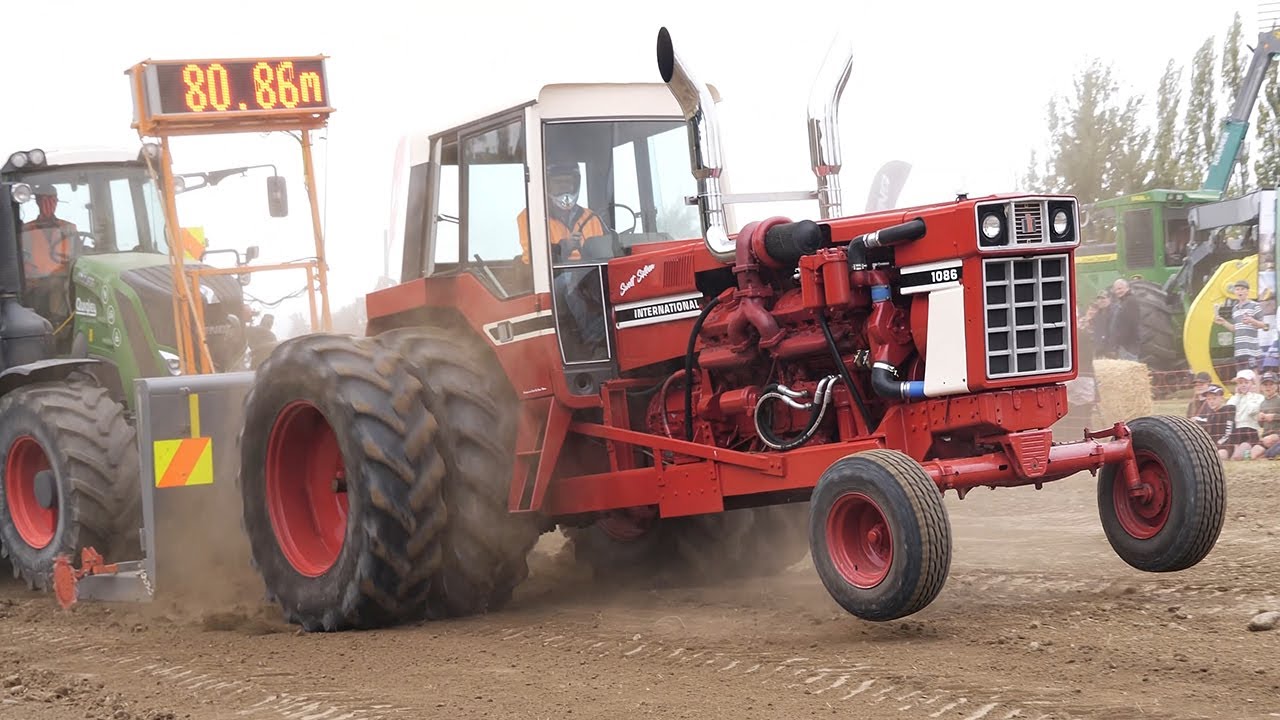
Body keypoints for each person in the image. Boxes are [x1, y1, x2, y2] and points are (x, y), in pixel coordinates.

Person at [516, 162, 608, 356]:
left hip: (588, 274)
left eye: (568, 183)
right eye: (558, 183)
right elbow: (532, 257)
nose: (564, 188)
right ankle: (599, 343)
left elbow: (605, 253)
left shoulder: (591, 218)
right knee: (571, 281)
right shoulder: (530, 217)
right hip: (549, 280)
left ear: (576, 184)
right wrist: (564, 247)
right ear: (548, 186)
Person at [21, 184, 78, 283]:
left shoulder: (69, 228)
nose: (49, 204)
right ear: (37, 201)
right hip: (35, 284)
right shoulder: (26, 230)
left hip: (65, 282)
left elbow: (79, 255)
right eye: (44, 200)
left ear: (56, 201)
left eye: (52, 200)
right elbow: (21, 259)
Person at [1214, 279, 1267, 377]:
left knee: (1254, 373)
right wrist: (1224, 322)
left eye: (1242, 289)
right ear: (1234, 292)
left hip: (1251, 348)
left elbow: (1264, 325)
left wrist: (1252, 321)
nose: (1240, 292)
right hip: (1239, 349)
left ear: (1247, 291)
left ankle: (1257, 387)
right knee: (1241, 375)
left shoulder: (1255, 306)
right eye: (1237, 289)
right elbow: (1236, 329)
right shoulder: (1235, 309)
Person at [1225, 369, 1265, 460]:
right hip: (1236, 431)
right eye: (1240, 383)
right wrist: (1237, 395)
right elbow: (1229, 409)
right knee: (1229, 456)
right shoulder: (1236, 397)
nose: (1243, 385)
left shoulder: (1259, 398)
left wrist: (1249, 394)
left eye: (1246, 382)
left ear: (1253, 383)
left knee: (1238, 456)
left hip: (1250, 430)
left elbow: (1251, 410)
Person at [1191, 384, 1238, 461]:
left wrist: (1215, 445)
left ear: (1221, 398)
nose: (1211, 402)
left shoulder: (1228, 411)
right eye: (1209, 399)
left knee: (1219, 454)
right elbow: (1201, 422)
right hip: (1211, 446)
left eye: (1214, 398)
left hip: (1225, 446)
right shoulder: (1209, 414)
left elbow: (1228, 434)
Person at [1105, 278, 1140, 361]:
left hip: (1127, 346)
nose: (1118, 291)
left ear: (1127, 288)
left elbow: (1129, 324)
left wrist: (1119, 343)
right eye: (1116, 289)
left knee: (1129, 367)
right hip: (1123, 346)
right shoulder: (1123, 302)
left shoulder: (1130, 301)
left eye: (1120, 288)